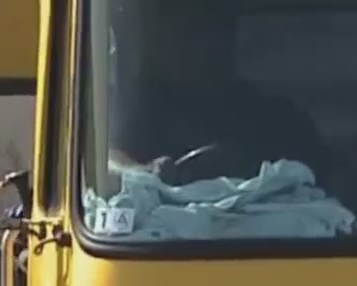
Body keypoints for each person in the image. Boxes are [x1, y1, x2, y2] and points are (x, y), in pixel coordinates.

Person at [106, 2, 329, 182]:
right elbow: (100, 160)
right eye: (185, 32)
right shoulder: (139, 110)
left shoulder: (274, 118)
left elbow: (324, 176)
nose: (199, 47)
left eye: (210, 30)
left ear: (229, 37)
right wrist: (144, 172)